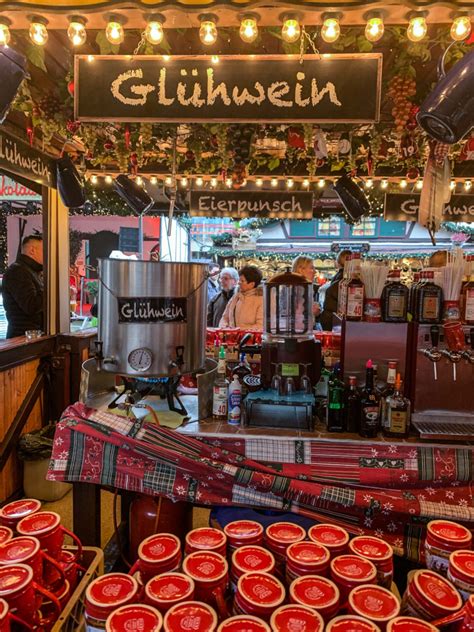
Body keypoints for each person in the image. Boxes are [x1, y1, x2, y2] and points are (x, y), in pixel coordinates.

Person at [2, 235, 44, 338]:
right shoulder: (18, 271)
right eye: (44, 250)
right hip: (23, 339)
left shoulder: (32, 271)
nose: (47, 255)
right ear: (32, 250)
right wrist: (52, 289)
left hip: (32, 337)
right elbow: (31, 306)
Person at [219, 265, 263, 330]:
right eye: (239, 280)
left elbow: (260, 325)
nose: (239, 283)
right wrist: (224, 328)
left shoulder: (261, 300)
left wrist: (238, 331)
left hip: (250, 338)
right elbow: (225, 318)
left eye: (242, 281)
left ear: (252, 284)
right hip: (231, 338)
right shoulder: (236, 297)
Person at [319, 249, 352, 331]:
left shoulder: (339, 279)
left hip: (334, 321)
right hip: (342, 321)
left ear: (337, 263)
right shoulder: (351, 280)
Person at [292, 255, 321, 321]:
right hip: (299, 330)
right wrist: (312, 311)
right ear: (301, 270)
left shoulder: (306, 286)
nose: (315, 271)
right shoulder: (296, 288)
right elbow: (292, 315)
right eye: (311, 268)